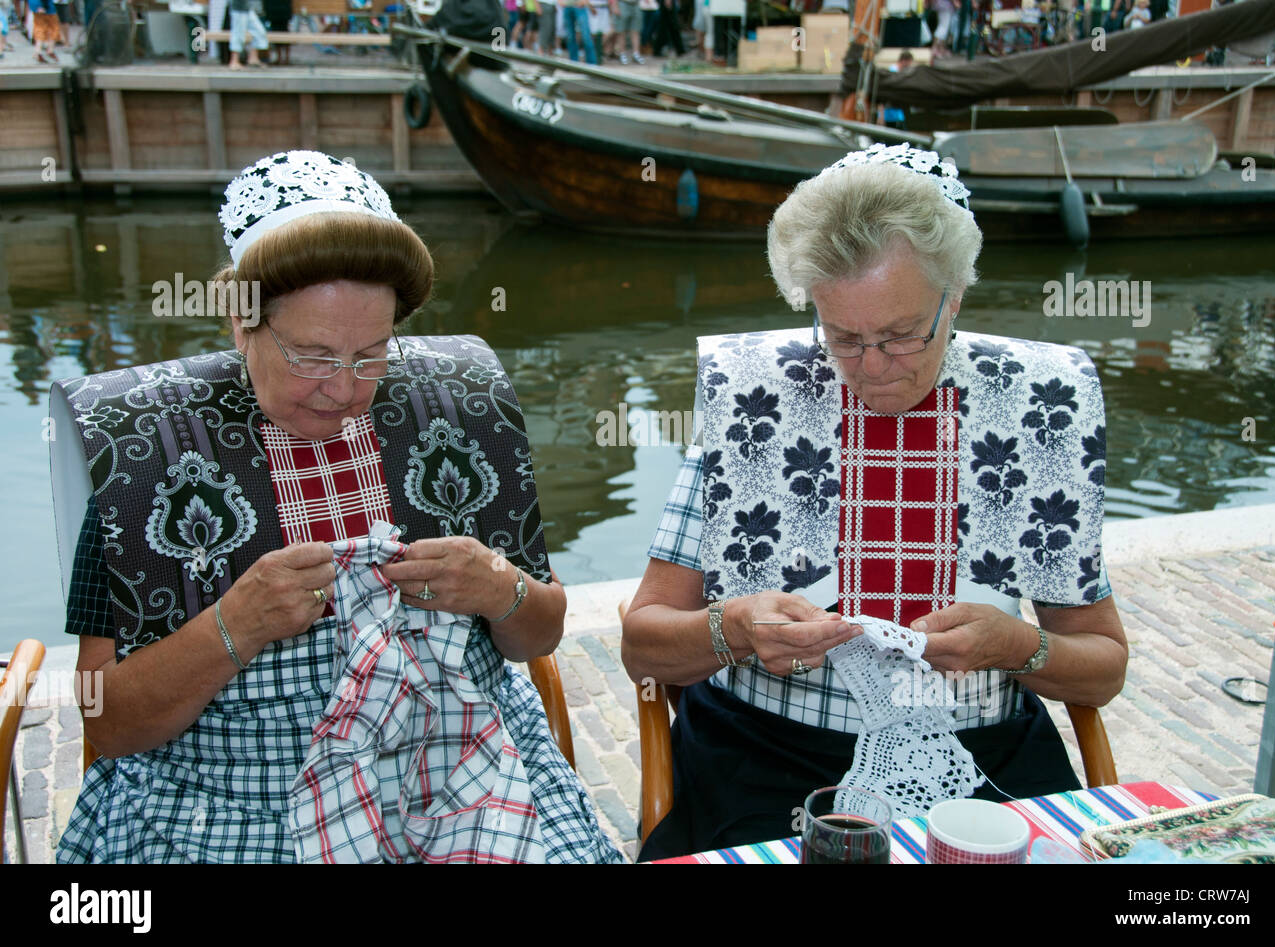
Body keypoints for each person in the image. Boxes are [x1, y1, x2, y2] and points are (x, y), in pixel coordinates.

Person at [53, 150, 621, 864]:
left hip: (462, 779)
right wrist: (233, 626)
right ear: (241, 323)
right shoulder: (144, 453)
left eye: (373, 355)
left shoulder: (457, 415)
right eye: (313, 357)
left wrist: (498, 589)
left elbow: (540, 633)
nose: (345, 389)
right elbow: (111, 720)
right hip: (238, 803)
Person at [622, 144, 1127, 861]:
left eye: (899, 333)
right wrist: (734, 625)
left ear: (954, 296)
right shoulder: (753, 397)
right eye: (842, 337)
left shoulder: (1032, 400)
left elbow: (1104, 664)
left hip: (978, 759)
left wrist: (1020, 647)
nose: (871, 365)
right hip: (766, 757)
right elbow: (642, 642)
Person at [228, 0, 269, 67]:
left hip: (248, 8)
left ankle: (253, 58)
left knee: (259, 32)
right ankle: (234, 61)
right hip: (238, 8)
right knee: (238, 34)